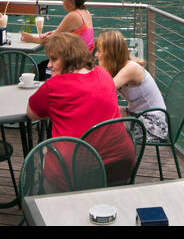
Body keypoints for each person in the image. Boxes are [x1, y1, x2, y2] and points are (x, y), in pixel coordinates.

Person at [27, 32, 134, 186]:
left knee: (45, 162)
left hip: (75, 174)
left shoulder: (54, 85)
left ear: (70, 58)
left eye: (54, 59)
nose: (49, 65)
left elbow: (31, 114)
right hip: (120, 166)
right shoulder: (103, 73)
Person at [96, 30, 169, 142]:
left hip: (153, 126)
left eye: (100, 51)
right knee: (101, 114)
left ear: (110, 54)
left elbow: (104, 90)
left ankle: (105, 155)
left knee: (102, 122)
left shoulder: (131, 68)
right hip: (137, 116)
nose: (96, 54)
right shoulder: (118, 68)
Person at [21, 0, 94, 51]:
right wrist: (53, 32)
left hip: (75, 61)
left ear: (72, 1)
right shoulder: (86, 12)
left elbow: (52, 39)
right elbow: (73, 32)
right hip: (86, 58)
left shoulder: (74, 16)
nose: (61, 0)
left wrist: (31, 39)